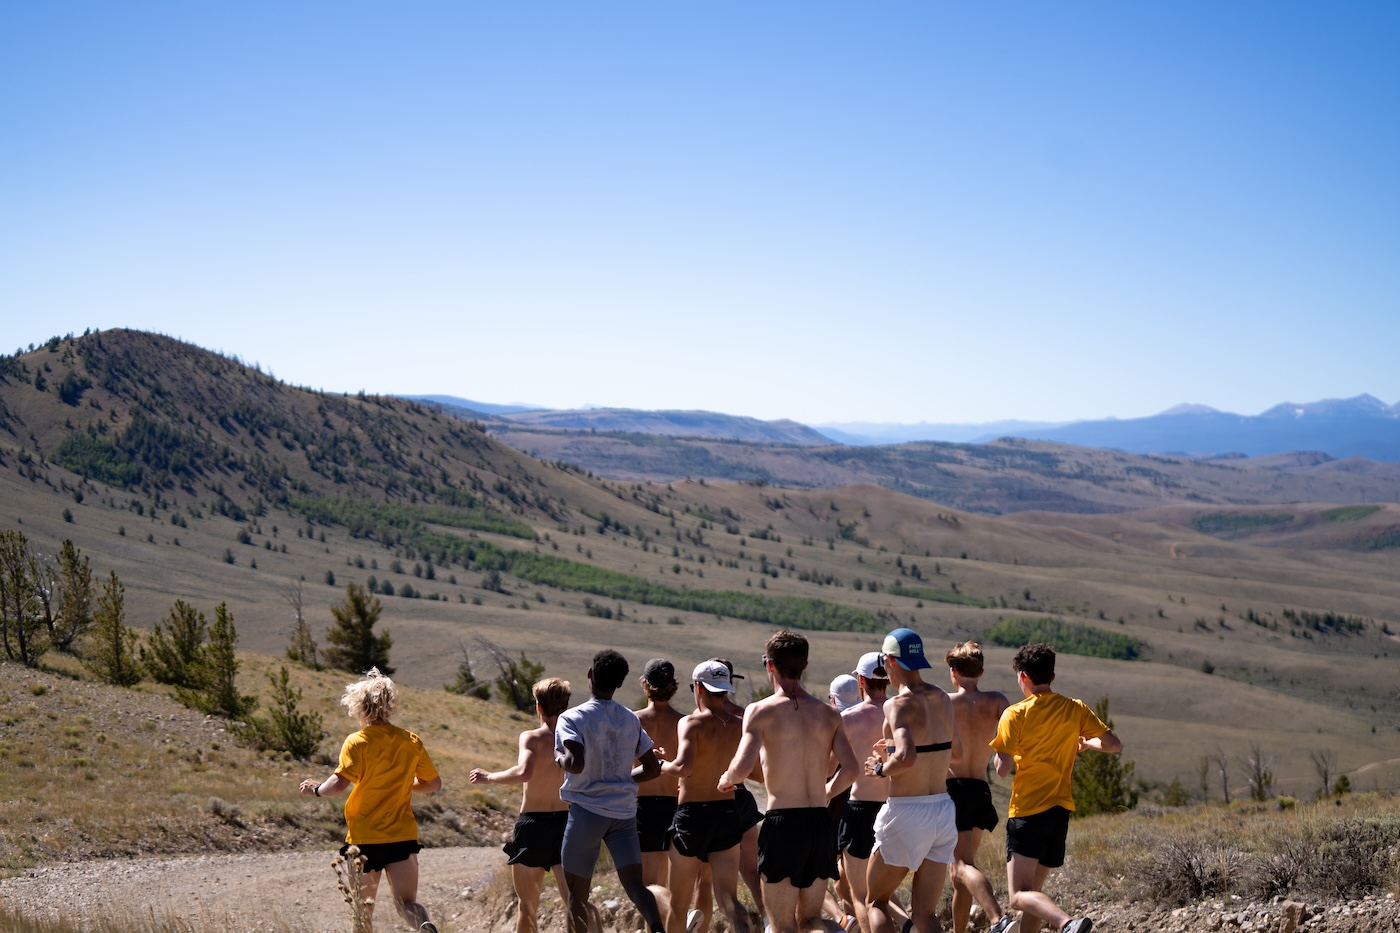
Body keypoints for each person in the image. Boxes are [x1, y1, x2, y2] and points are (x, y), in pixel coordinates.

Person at [722, 630, 860, 933]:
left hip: (783, 823)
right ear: (805, 666)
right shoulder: (828, 714)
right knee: (811, 920)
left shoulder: (760, 711)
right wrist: (826, 793)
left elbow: (742, 767)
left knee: (783, 925)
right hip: (819, 824)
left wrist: (726, 779)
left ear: (769, 665)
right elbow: (852, 770)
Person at [299, 668, 442, 933]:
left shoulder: (357, 742)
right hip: (402, 836)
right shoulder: (411, 740)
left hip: (364, 839)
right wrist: (403, 784)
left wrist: (316, 789)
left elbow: (338, 784)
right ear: (390, 705)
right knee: (407, 904)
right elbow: (434, 784)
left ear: (359, 706)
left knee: (362, 912)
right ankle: (425, 926)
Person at [991, 644, 1122, 933]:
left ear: (1022, 676)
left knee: (1017, 897)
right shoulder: (1074, 708)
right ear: (1052, 676)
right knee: (1034, 898)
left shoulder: (1015, 714)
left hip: (1027, 811)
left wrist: (998, 749)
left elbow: (1001, 770)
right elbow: (1114, 745)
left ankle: (1067, 923)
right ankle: (1064, 923)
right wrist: (1086, 742)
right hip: (1059, 812)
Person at [555, 649, 668, 933]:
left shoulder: (572, 718)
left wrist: (559, 758)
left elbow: (575, 763)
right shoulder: (630, 719)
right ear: (619, 683)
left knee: (577, 896)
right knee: (635, 886)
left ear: (590, 675)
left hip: (586, 815)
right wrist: (621, 780)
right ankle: (657, 929)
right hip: (624, 815)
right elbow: (653, 769)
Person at [862, 629, 958, 933]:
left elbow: (906, 756)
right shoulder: (942, 697)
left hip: (907, 811)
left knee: (875, 901)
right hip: (943, 810)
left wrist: (880, 768)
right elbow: (960, 752)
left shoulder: (897, 705)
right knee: (924, 915)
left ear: (890, 660)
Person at [470, 677, 575, 933]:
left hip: (533, 826)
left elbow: (524, 773)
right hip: (566, 824)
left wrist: (488, 777)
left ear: (538, 707)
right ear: (566, 706)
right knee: (576, 903)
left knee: (527, 908)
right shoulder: (576, 740)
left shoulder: (532, 738)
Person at [661, 660, 751, 933]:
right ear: (726, 689)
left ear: (698, 687)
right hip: (726, 814)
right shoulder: (739, 725)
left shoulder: (691, 723)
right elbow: (753, 770)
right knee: (729, 900)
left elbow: (683, 768)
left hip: (692, 818)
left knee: (678, 904)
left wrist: (660, 764)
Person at [944, 643, 1017, 933]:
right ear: (981, 672)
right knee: (961, 875)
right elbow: (1011, 739)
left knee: (960, 866)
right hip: (980, 788)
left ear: (953, 673)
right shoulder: (998, 700)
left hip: (954, 789)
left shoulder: (945, 702)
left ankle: (998, 918)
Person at [838, 653, 907, 933]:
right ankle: (907, 924)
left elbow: (832, 767)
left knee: (861, 898)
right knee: (883, 896)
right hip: (896, 808)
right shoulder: (901, 712)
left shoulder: (848, 718)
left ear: (861, 682)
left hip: (861, 809)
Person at [637, 659, 685, 887]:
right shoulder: (684, 722)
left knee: (647, 884)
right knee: (664, 883)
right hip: (675, 806)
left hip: (642, 806)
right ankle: (665, 923)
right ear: (673, 685)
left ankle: (653, 924)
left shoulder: (634, 721)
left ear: (645, 684)